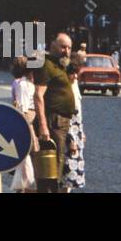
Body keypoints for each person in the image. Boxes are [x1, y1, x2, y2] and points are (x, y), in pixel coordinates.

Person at [33, 33, 75, 187]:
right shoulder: (47, 65)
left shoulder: (60, 65)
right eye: (63, 47)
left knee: (56, 165)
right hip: (53, 122)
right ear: (52, 46)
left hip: (61, 122)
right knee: (49, 169)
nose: (67, 51)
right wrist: (43, 125)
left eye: (69, 48)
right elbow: (38, 95)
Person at [10, 57, 37, 192]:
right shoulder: (23, 85)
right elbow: (22, 111)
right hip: (27, 125)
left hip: (33, 123)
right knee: (25, 165)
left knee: (30, 166)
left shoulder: (32, 84)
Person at [61, 56, 86, 191]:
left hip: (77, 131)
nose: (75, 76)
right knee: (67, 173)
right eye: (72, 73)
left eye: (77, 73)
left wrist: (82, 132)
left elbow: (78, 112)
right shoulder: (64, 89)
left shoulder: (74, 85)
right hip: (69, 134)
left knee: (73, 176)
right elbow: (66, 116)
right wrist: (71, 139)